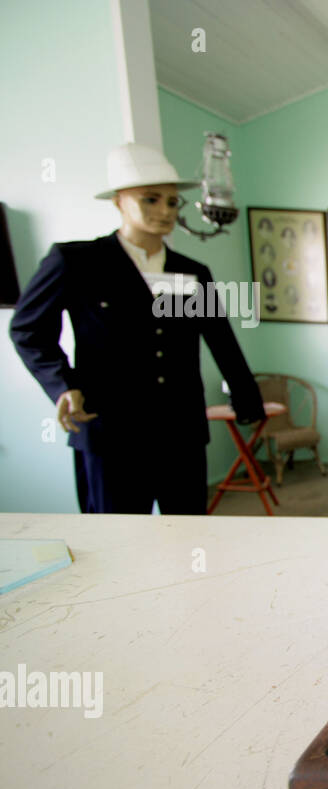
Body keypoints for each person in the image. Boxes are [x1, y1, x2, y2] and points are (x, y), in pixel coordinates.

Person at [9, 142, 265, 514]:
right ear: (119, 201)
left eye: (172, 202)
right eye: (151, 199)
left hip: (180, 433)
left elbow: (220, 338)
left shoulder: (190, 272)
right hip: (110, 431)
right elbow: (28, 330)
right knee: (118, 545)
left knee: (190, 534)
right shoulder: (77, 262)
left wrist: (246, 398)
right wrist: (63, 384)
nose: (164, 210)